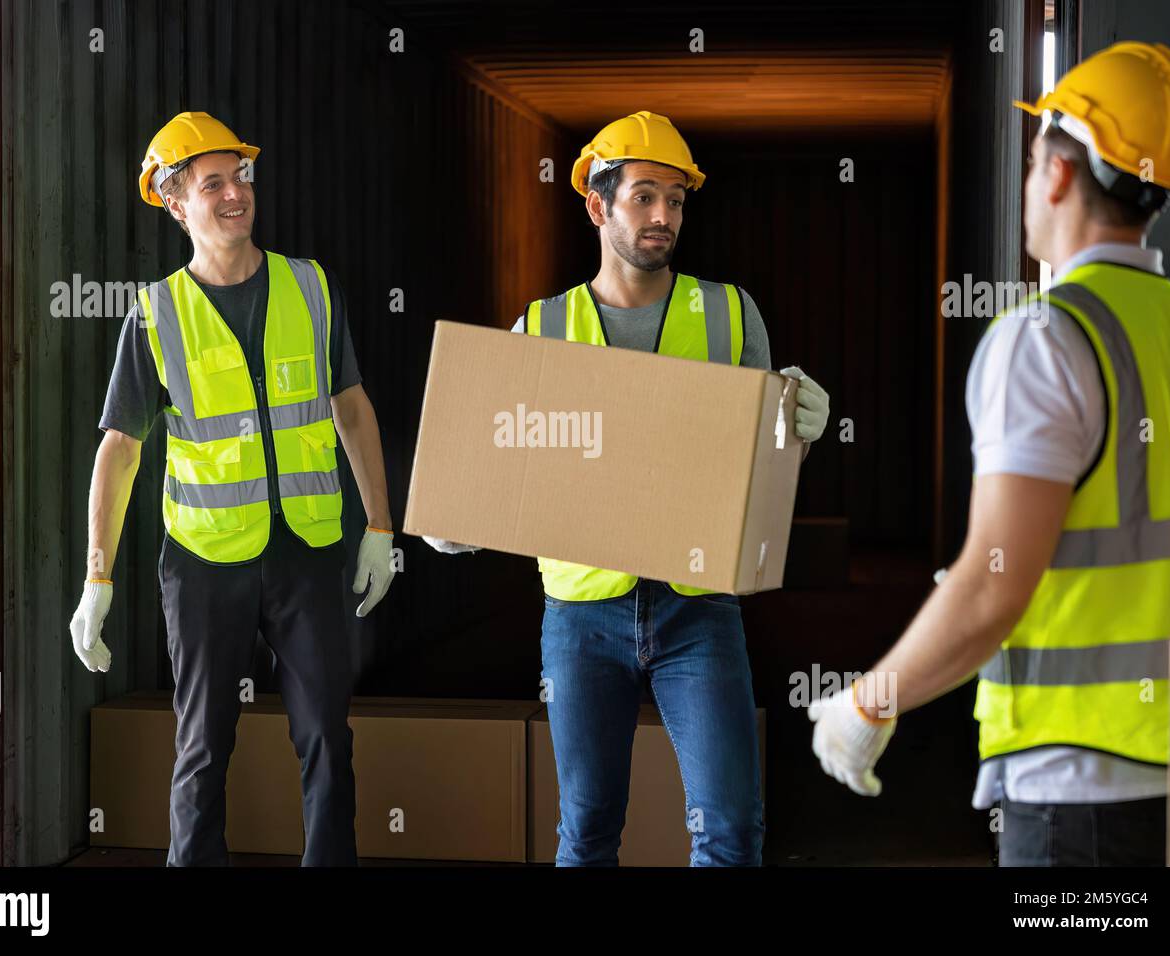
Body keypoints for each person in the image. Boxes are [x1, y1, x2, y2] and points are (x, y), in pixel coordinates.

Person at [808, 43, 1170, 867]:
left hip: (1078, 788)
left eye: (1029, 163)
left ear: (1055, 175)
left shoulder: (1046, 339)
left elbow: (991, 586)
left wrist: (867, 704)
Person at [430, 111, 830, 866]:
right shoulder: (542, 328)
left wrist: (798, 435)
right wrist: (459, 514)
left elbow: (765, 480)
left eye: (676, 201)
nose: (663, 217)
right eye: (644, 197)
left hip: (699, 606)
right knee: (585, 833)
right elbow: (498, 461)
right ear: (597, 205)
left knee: (733, 830)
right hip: (583, 615)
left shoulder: (730, 315)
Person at [68, 111, 398, 866]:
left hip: (309, 550)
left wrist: (380, 526)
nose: (234, 193)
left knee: (326, 740)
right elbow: (118, 453)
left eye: (239, 176)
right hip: (205, 559)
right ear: (176, 204)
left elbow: (350, 407)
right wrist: (97, 574)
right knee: (203, 746)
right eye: (211, 182)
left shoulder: (310, 287)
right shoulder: (156, 315)